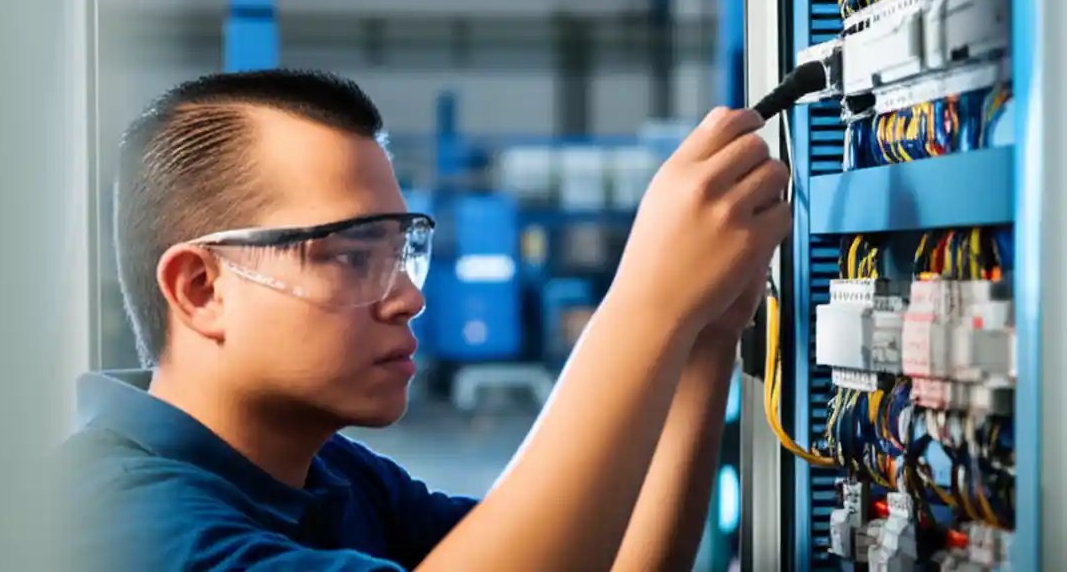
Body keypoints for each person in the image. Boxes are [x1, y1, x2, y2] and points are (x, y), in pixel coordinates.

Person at [62, 69, 790, 571]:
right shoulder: (123, 528)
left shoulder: (333, 477)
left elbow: (610, 557)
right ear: (199, 289)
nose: (409, 298)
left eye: (401, 252)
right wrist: (646, 301)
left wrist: (705, 332)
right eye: (351, 258)